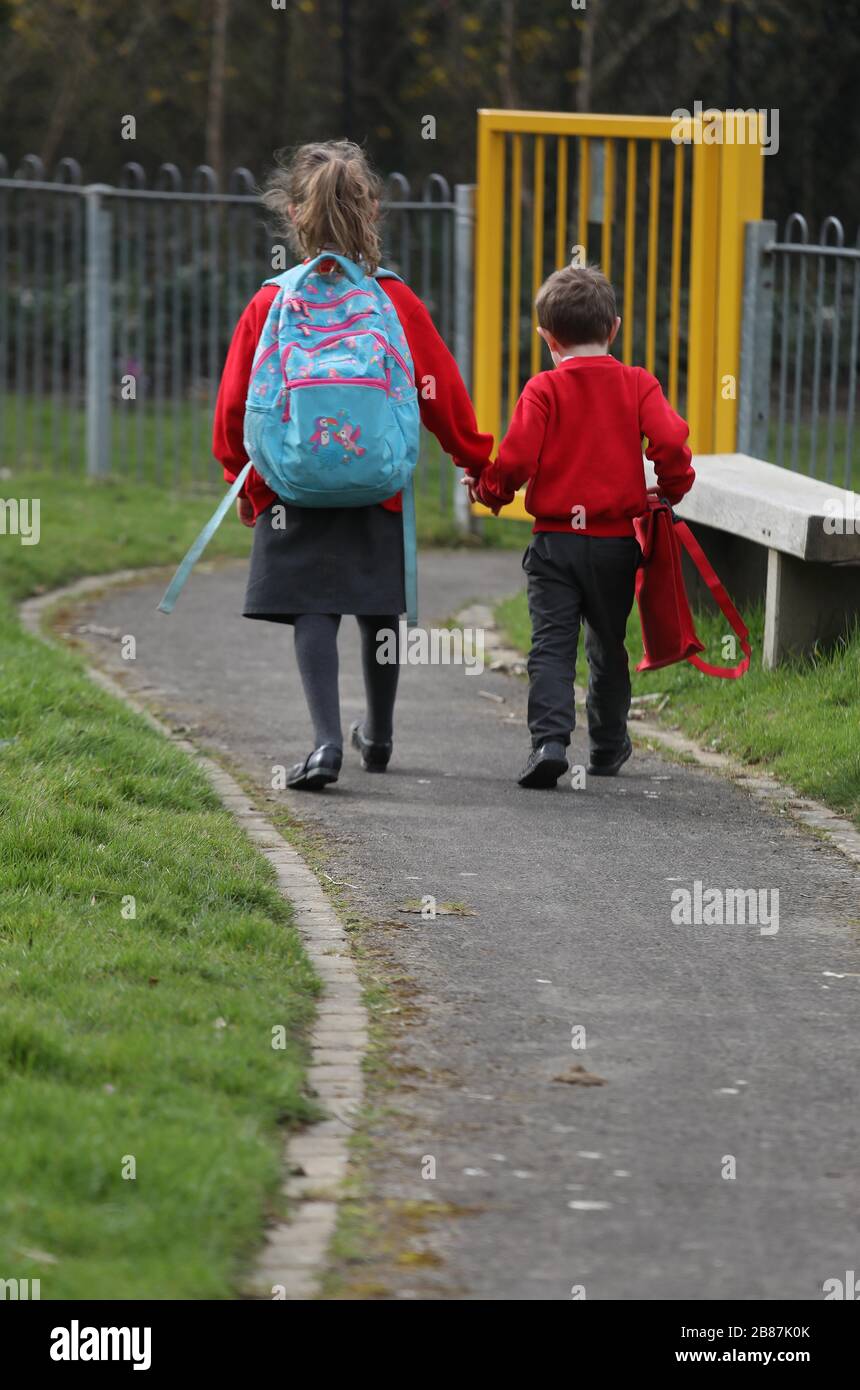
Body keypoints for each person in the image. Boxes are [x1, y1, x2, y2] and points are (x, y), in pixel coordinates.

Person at [214, 140, 492, 789]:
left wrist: (244, 482)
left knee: (315, 607)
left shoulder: (273, 301)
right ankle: (382, 733)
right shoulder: (391, 299)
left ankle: (326, 742)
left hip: (295, 483)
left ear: (293, 213)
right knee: (377, 610)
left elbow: (236, 405)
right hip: (376, 488)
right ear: (372, 211)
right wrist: (475, 461)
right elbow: (439, 390)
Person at [469, 263, 694, 789]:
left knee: (551, 644)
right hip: (615, 544)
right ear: (613, 328)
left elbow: (518, 460)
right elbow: (670, 443)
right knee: (607, 643)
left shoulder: (542, 390)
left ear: (548, 337)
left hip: (554, 545)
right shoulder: (638, 384)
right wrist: (671, 488)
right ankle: (609, 744)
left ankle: (549, 742)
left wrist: (490, 491)